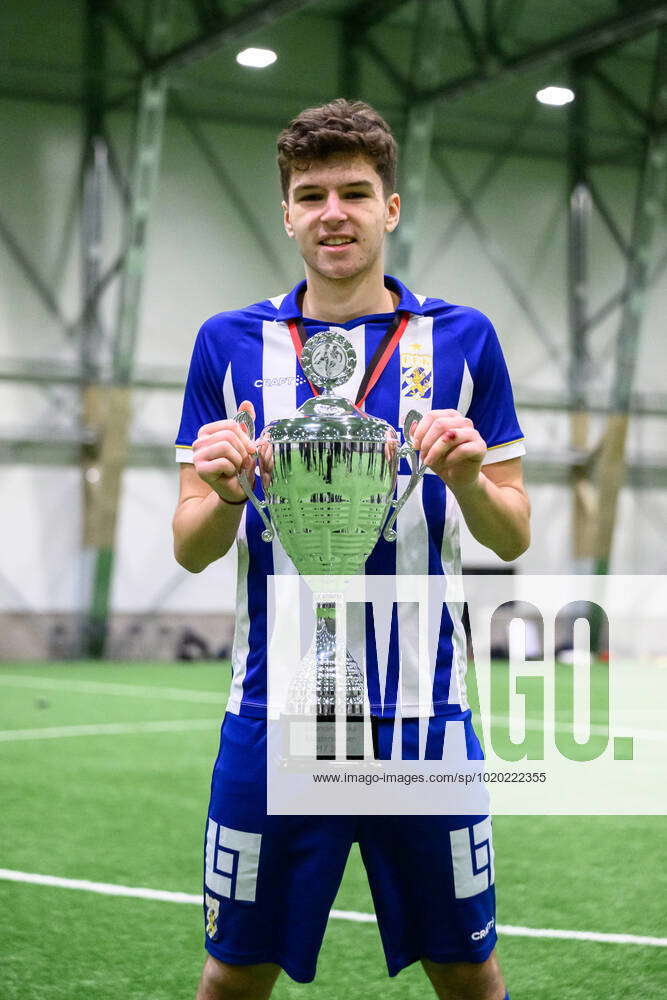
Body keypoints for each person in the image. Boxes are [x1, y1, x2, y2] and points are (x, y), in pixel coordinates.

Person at [173, 99, 530, 1000]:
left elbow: (512, 531)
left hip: (422, 710)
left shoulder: (464, 339)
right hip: (275, 710)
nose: (334, 211)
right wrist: (220, 497)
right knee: (234, 972)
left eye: (355, 192)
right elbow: (188, 546)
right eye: (312, 194)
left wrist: (466, 479)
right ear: (287, 213)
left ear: (391, 208)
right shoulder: (227, 344)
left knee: (466, 966)